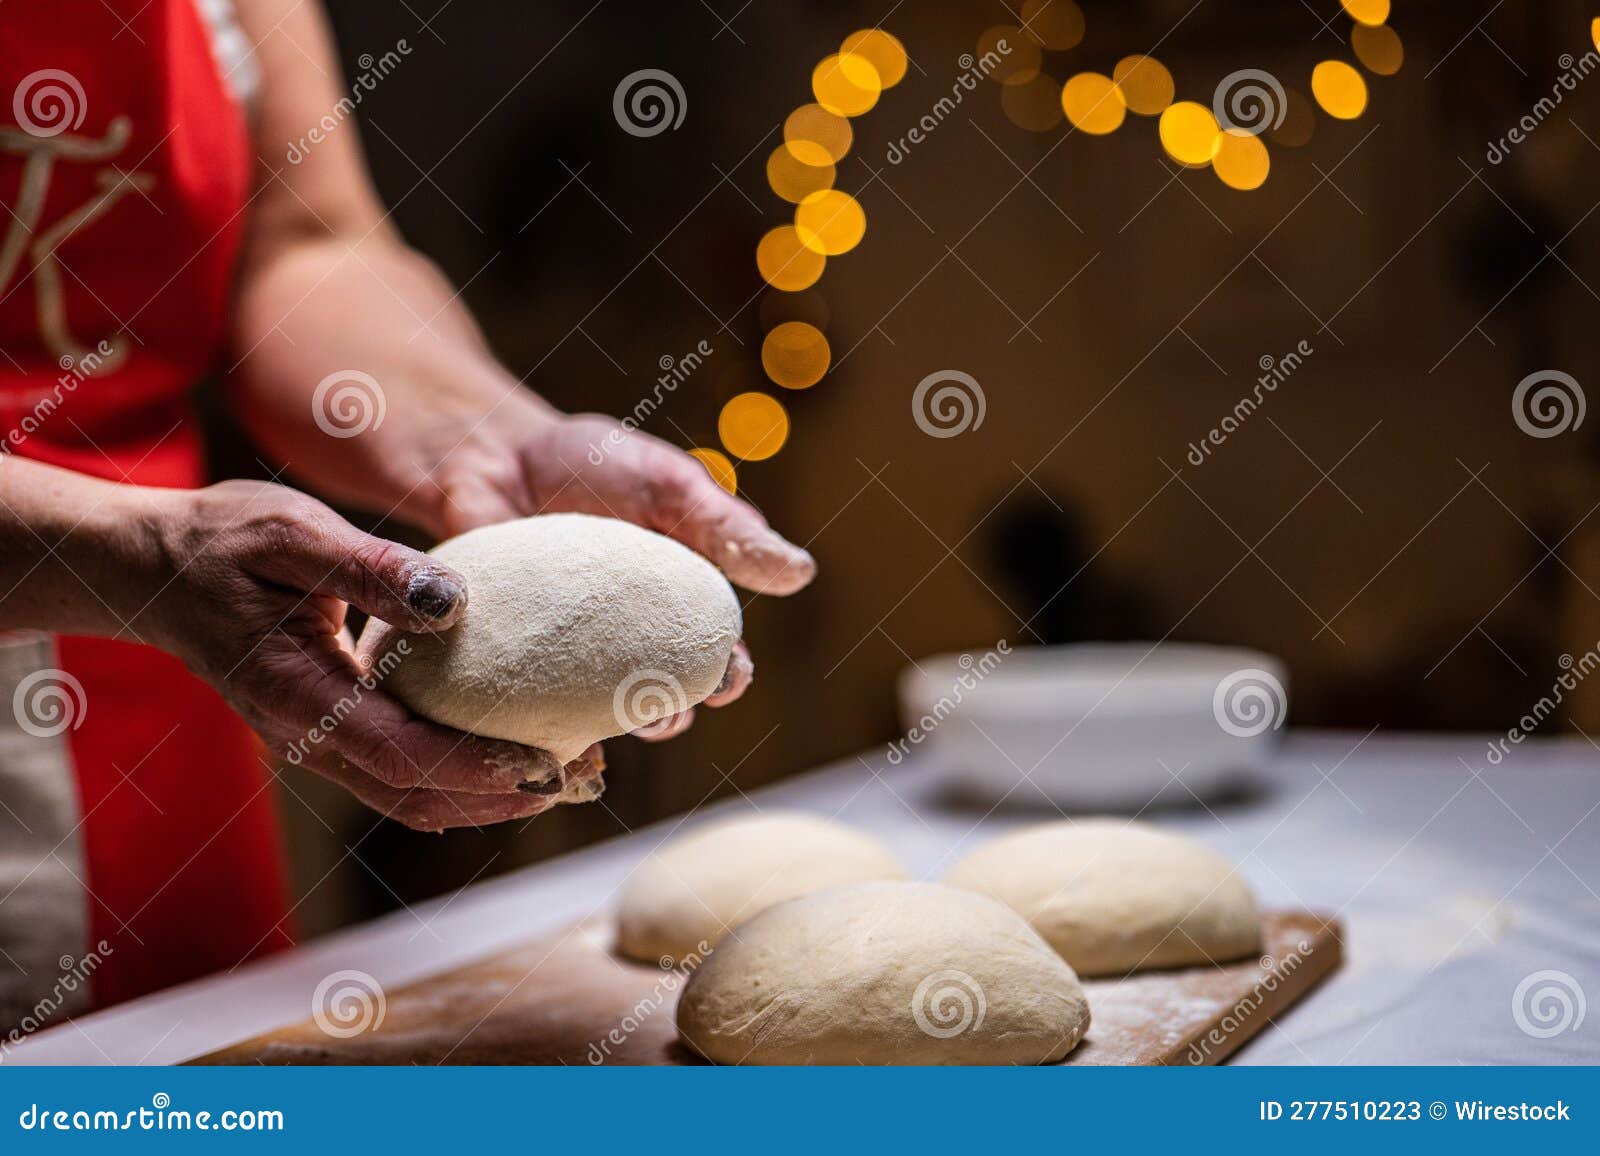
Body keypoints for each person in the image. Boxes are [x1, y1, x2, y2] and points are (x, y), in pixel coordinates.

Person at [0, 0, 813, 1029]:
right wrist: (131, 552)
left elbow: (305, 244)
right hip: (151, 581)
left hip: (161, 700)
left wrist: (478, 439)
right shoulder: (155, 561)